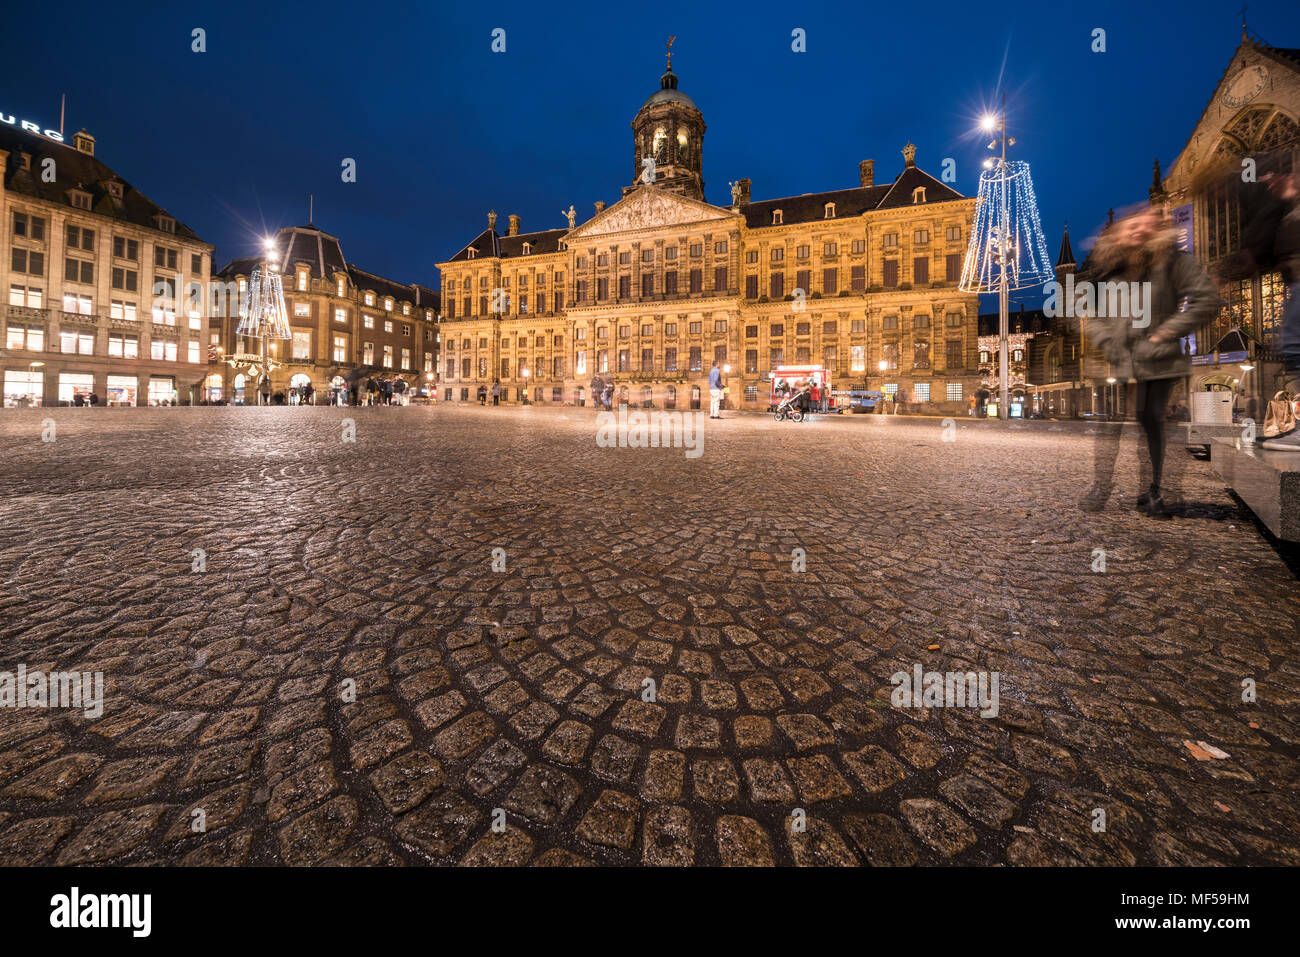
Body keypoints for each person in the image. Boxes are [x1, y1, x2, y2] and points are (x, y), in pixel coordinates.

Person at [1082, 206, 1218, 517]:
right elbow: (1087, 313)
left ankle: (1155, 490)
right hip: (1116, 360)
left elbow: (1207, 298)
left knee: (1151, 419)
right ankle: (1101, 487)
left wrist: (1167, 332)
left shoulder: (1174, 262)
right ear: (1119, 233)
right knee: (1107, 426)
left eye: (1147, 225)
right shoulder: (1107, 270)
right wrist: (1105, 339)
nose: (1139, 230)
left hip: (1159, 359)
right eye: (1132, 225)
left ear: (1158, 230)